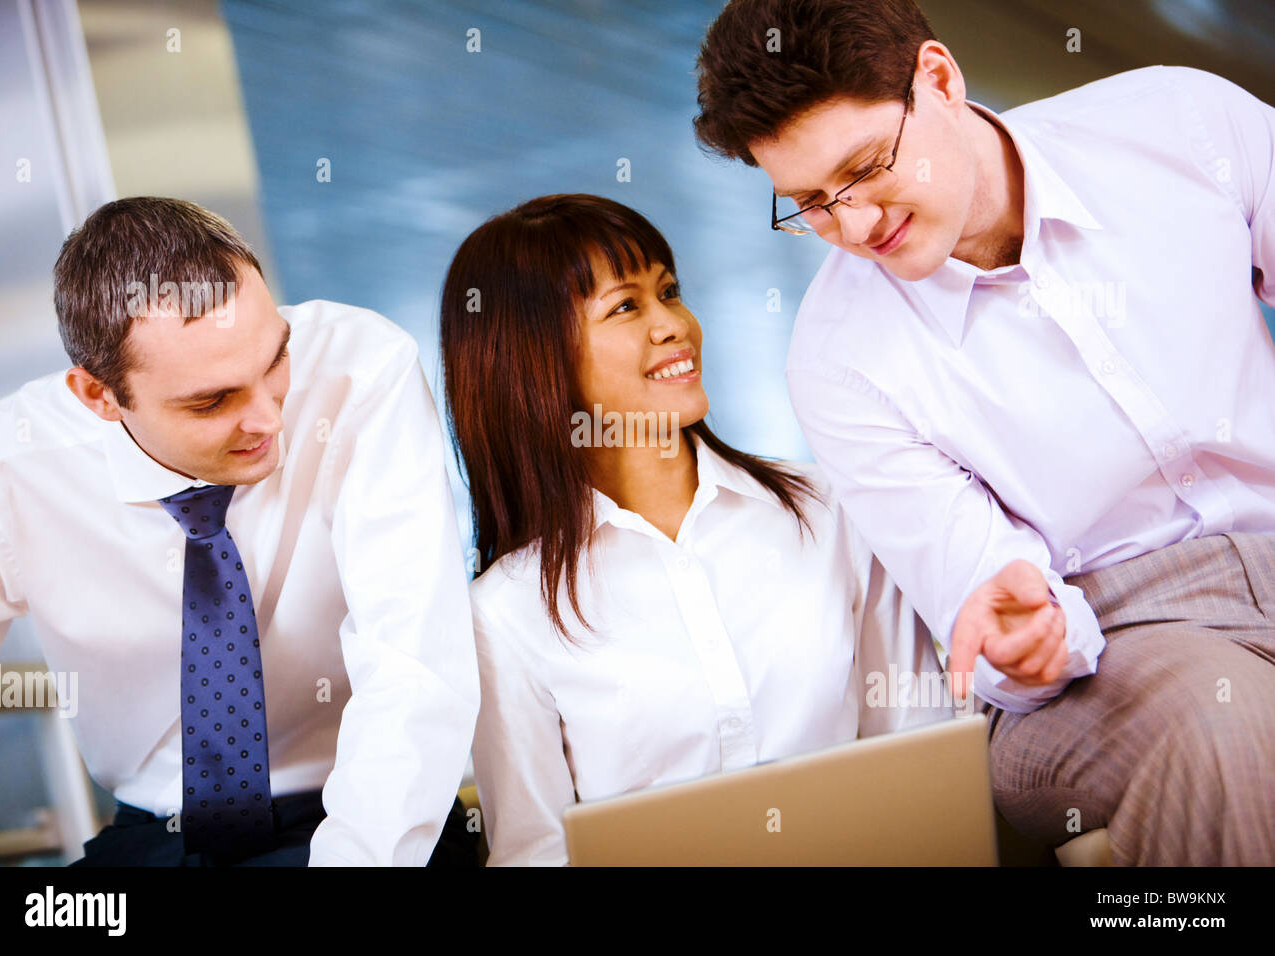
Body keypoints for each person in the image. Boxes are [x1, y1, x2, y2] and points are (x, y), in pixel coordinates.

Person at [692, 0, 1275, 864]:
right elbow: (983, 597)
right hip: (1110, 651)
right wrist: (1024, 634)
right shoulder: (839, 361)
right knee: (1224, 723)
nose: (854, 228)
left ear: (938, 78)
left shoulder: (1182, 124)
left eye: (865, 168)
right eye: (810, 203)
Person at [439, 193, 952, 866]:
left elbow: (920, 755)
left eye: (670, 292)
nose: (673, 324)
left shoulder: (827, 509)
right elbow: (537, 854)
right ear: (534, 359)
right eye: (626, 306)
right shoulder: (503, 615)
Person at [0, 197, 479, 866]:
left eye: (275, 361)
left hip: (360, 812)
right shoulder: (7, 467)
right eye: (212, 401)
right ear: (99, 395)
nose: (270, 419)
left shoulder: (363, 371)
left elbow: (413, 662)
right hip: (154, 833)